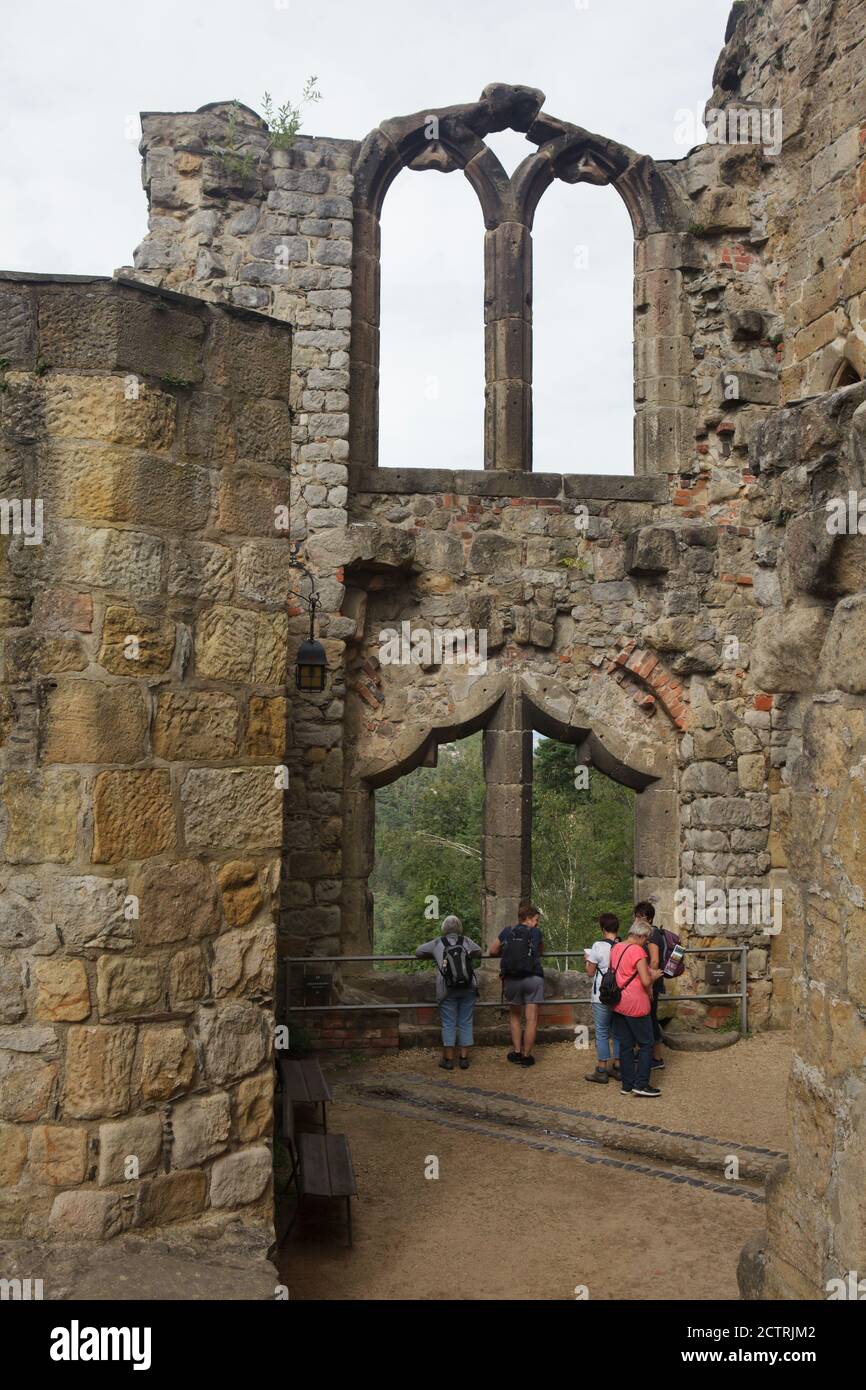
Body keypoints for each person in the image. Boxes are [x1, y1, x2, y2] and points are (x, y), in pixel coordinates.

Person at [415, 915, 482, 1071]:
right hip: (468, 988)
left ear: (443, 929)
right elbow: (478, 951)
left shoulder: (438, 942)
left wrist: (434, 954)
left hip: (447, 989)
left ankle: (448, 1060)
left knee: (448, 1023)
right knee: (466, 1021)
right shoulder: (466, 941)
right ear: (460, 929)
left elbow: (418, 952)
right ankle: (464, 1059)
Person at [609, 918, 664, 1098]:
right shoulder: (638, 951)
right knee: (646, 1043)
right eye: (646, 938)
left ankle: (627, 1084)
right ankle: (642, 1084)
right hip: (636, 1004)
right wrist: (654, 976)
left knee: (625, 1045)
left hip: (619, 1003)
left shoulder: (616, 947)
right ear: (640, 935)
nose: (647, 942)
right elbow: (646, 980)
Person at [489, 902, 544, 1068]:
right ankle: (527, 1057)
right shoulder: (535, 932)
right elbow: (539, 951)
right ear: (527, 919)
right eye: (535, 919)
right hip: (533, 978)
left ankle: (517, 1052)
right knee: (531, 1019)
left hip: (512, 979)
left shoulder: (508, 931)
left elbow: (492, 951)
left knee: (514, 1017)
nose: (537, 923)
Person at [583, 912, 621, 1084]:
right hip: (619, 994)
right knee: (618, 1031)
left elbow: (590, 972)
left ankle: (601, 1069)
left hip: (601, 995)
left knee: (602, 1031)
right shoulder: (622, 945)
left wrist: (587, 960)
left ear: (603, 928)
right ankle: (619, 1065)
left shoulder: (598, 946)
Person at [635, 900, 666, 1073]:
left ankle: (657, 1057)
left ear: (649, 918)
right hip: (650, 982)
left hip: (652, 983)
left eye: (641, 917)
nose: (638, 920)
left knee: (650, 1018)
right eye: (637, 916)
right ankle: (648, 1053)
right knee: (648, 1017)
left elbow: (654, 960)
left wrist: (650, 983)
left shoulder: (652, 935)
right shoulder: (651, 933)